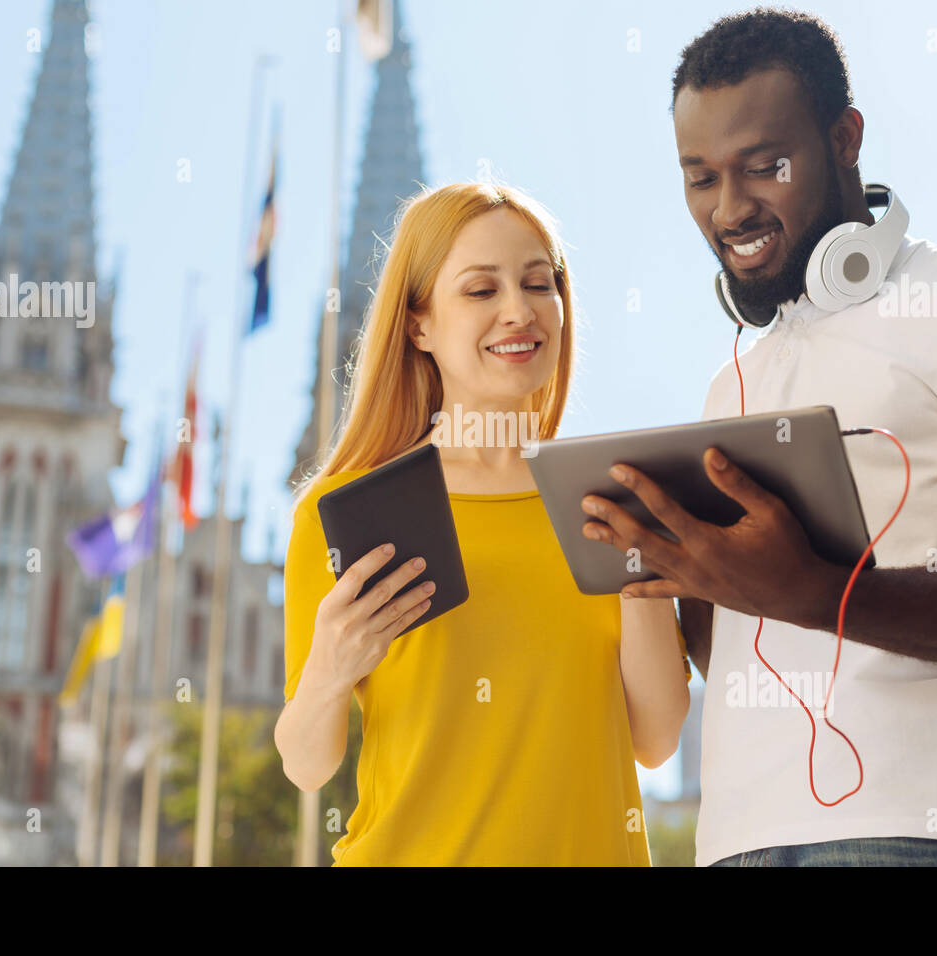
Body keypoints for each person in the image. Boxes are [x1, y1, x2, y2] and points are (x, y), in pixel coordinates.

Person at [580, 8, 937, 867]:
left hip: (922, 835)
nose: (729, 208)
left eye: (763, 167)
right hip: (734, 844)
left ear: (845, 138)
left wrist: (819, 590)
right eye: (700, 178)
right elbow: (735, 644)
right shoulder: (730, 382)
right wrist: (677, 569)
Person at [273, 181, 691, 866]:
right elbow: (306, 765)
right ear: (419, 324)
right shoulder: (345, 513)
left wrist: (636, 560)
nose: (519, 311)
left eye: (538, 284)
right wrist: (329, 668)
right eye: (480, 291)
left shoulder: (614, 498)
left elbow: (658, 735)